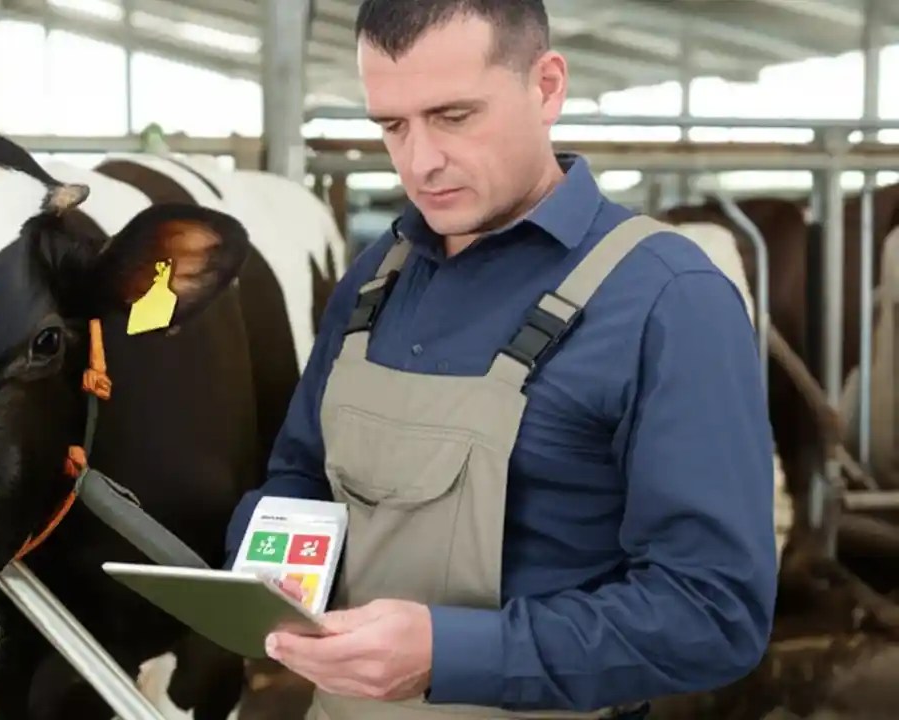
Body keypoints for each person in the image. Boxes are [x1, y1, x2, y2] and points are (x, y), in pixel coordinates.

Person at [221, 1, 778, 718]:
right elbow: (301, 471)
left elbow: (716, 613)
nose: (419, 161)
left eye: (453, 116)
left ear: (546, 87)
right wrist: (270, 568)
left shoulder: (669, 300)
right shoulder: (374, 280)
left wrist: (446, 655)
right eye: (392, 125)